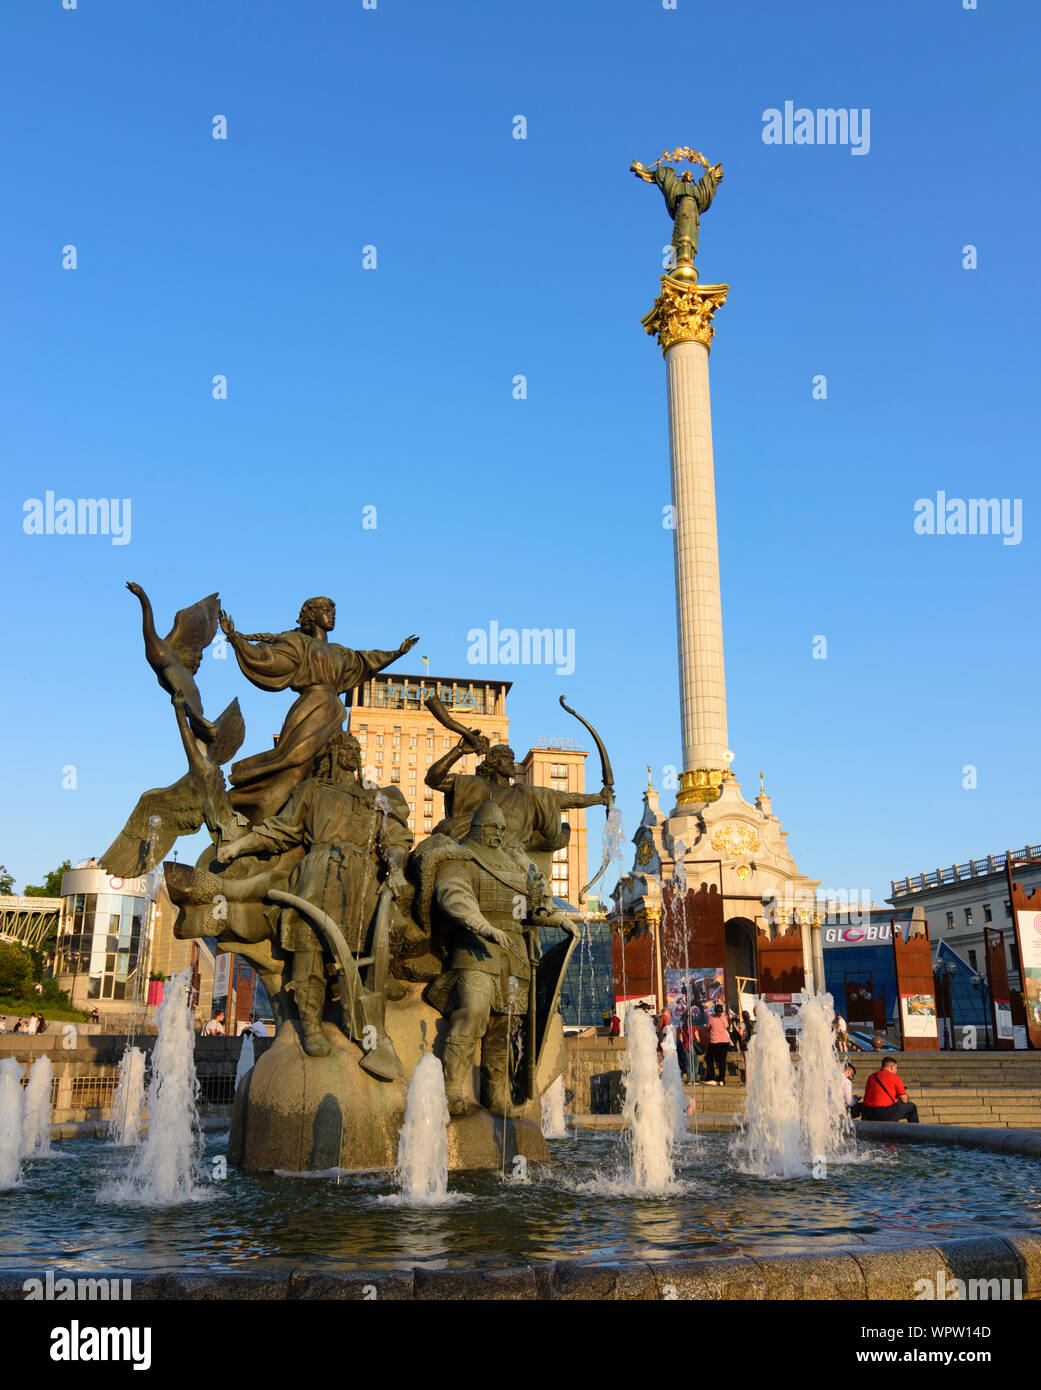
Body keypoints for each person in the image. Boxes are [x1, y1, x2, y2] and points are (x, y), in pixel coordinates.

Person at [860, 1056, 919, 1123]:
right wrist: (906, 1097)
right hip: (883, 1112)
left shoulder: (871, 1077)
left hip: (868, 1112)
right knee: (912, 1107)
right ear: (892, 1067)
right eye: (896, 1068)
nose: (896, 1070)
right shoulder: (894, 1077)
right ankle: (915, 1131)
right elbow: (904, 1100)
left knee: (894, 1106)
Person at [703, 1003, 731, 1085]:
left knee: (709, 1059)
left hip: (714, 1042)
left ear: (714, 1011)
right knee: (722, 1061)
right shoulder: (723, 1018)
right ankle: (722, 1079)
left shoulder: (711, 1018)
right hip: (725, 1042)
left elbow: (707, 1028)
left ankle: (712, 1078)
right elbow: (726, 1026)